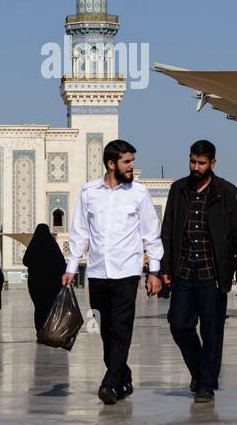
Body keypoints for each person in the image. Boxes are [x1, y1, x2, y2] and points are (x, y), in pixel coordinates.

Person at [65, 139, 164, 405]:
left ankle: (110, 383)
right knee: (105, 330)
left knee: (121, 328)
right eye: (127, 162)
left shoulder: (139, 194)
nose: (132, 167)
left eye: (132, 161)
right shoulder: (89, 193)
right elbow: (80, 232)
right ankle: (124, 375)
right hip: (97, 273)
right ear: (111, 164)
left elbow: (151, 235)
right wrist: (71, 267)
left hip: (127, 272)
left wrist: (153, 271)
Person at [159, 140, 237, 403]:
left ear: (213, 163)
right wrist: (165, 267)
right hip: (184, 272)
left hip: (213, 275)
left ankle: (206, 385)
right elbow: (167, 231)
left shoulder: (227, 192)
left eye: (201, 163)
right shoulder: (179, 190)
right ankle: (201, 371)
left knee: (212, 331)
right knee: (178, 324)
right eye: (192, 162)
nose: (195, 167)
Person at [24, 224, 66, 340]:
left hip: (36, 285)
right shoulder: (53, 247)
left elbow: (25, 261)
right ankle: (50, 332)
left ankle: (40, 332)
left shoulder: (34, 246)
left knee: (39, 308)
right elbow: (62, 264)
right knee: (51, 307)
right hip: (52, 285)